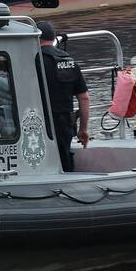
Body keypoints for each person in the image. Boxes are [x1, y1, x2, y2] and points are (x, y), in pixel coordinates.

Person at [38, 21, 90, 171]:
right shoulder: (69, 61)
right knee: (64, 158)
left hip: (41, 123)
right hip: (66, 123)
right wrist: (83, 129)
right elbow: (84, 97)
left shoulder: (34, 60)